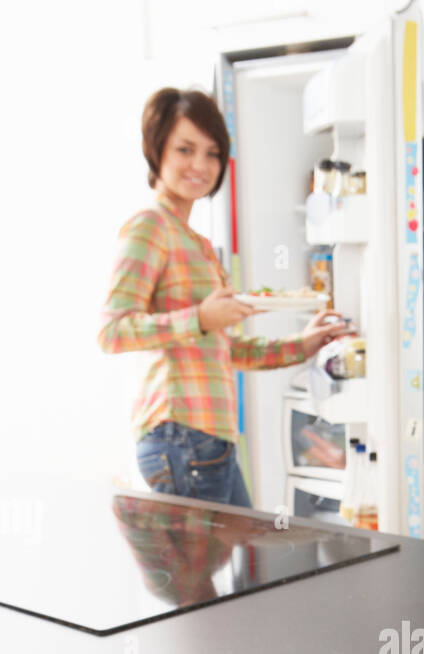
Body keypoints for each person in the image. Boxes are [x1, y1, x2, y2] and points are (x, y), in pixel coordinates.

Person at [99, 87, 350, 506]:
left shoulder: (195, 243)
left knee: (224, 568)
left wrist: (300, 346)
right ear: (156, 150)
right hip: (181, 438)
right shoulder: (149, 227)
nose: (200, 164)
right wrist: (199, 317)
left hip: (209, 441)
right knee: (203, 571)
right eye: (185, 149)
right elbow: (113, 332)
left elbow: (223, 350)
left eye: (212, 153)